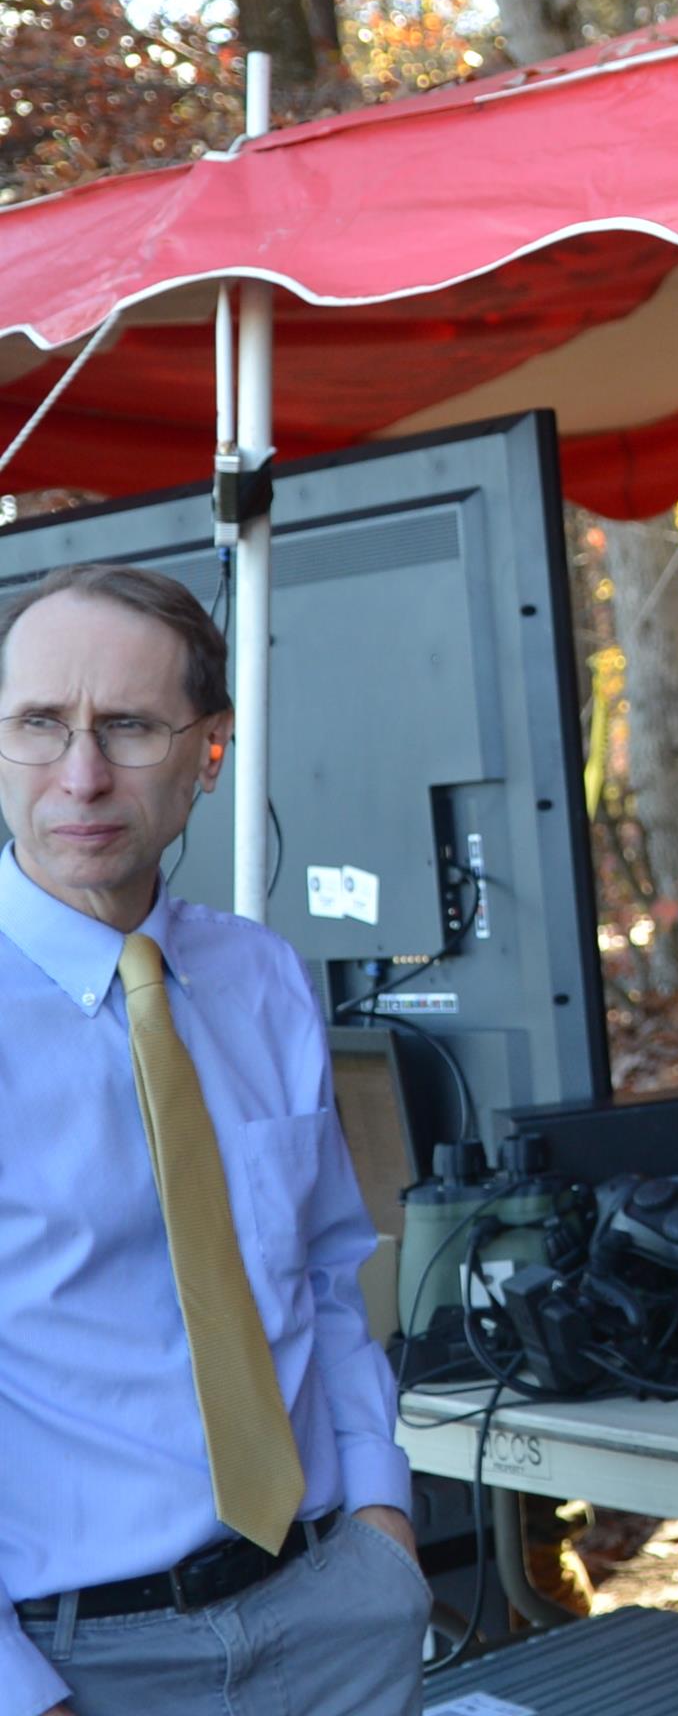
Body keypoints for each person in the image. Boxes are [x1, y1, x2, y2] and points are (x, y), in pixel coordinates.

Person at [0, 565, 426, 1716]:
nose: (80, 775)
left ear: (211, 750)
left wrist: (382, 1513)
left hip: (336, 1616)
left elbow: (326, 1273)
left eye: (129, 726)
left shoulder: (260, 977)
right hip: (82, 1663)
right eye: (38, 724)